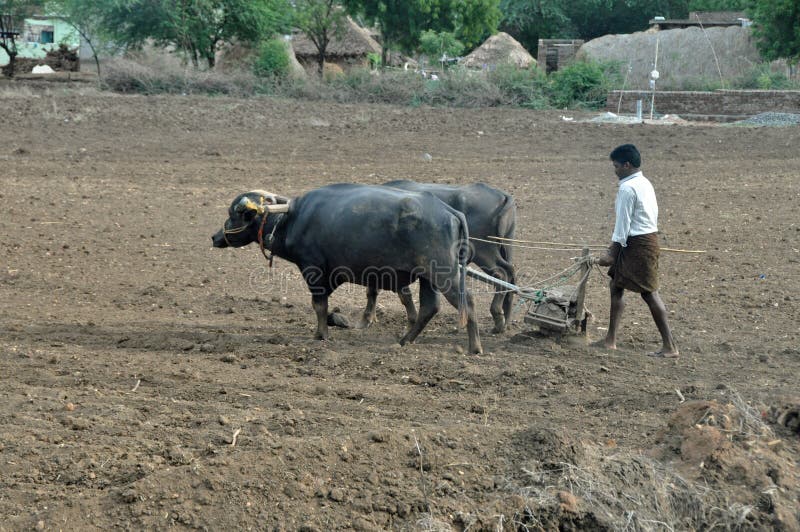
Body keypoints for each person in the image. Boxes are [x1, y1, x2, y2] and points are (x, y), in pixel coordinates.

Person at [595, 144, 679, 358]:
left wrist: (610, 254)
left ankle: (670, 346)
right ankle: (610, 340)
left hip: (636, 245)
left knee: (649, 293)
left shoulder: (627, 188)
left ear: (626, 165)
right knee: (616, 285)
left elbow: (622, 225)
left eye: (615, 166)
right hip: (645, 241)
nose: (614, 170)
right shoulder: (644, 182)